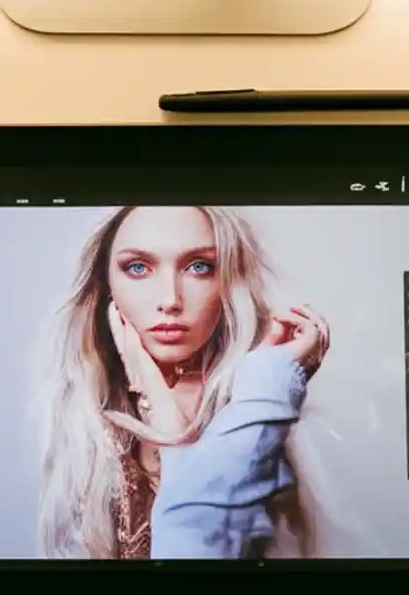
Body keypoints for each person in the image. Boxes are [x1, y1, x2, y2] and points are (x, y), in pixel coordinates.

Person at [34, 205, 330, 559]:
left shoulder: (253, 415)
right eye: (138, 268)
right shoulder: (84, 412)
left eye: (199, 267)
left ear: (229, 282)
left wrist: (267, 383)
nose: (170, 301)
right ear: (105, 284)